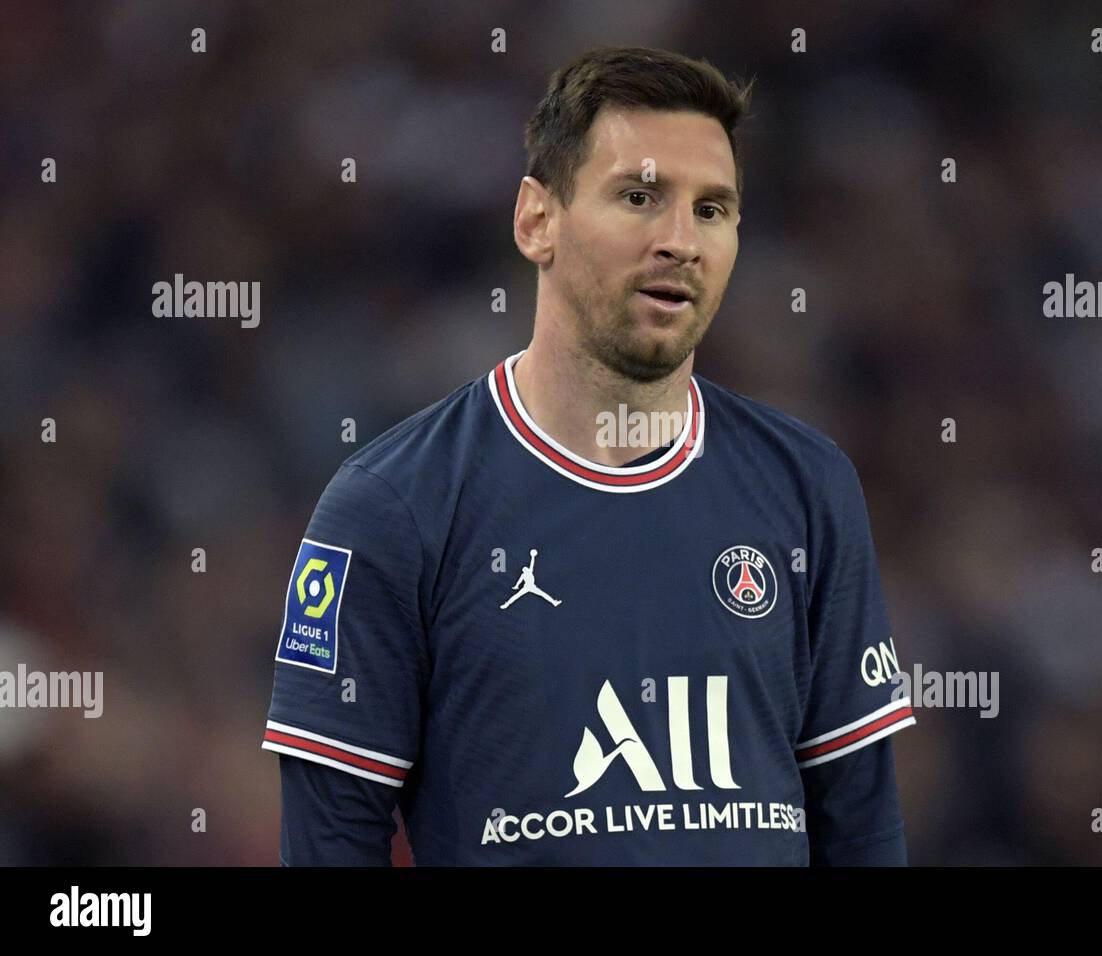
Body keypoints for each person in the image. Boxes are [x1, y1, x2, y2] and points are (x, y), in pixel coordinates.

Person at [263, 45, 915, 865]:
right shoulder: (391, 508)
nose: (681, 239)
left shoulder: (809, 487)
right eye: (640, 196)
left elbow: (863, 830)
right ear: (538, 220)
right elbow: (330, 846)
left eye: (712, 209)